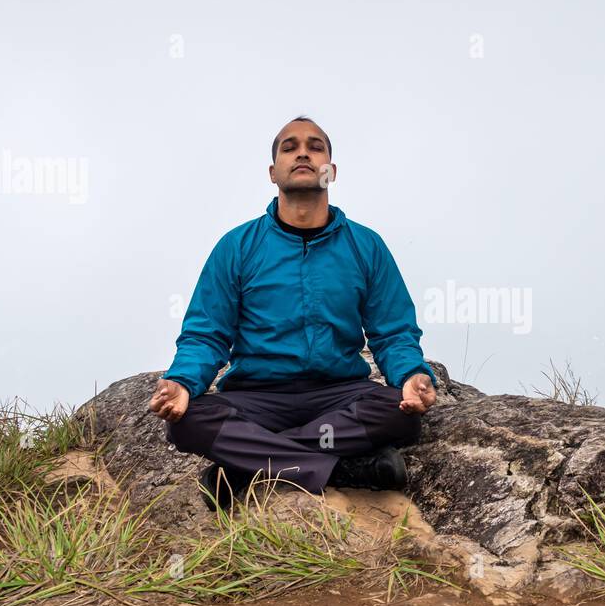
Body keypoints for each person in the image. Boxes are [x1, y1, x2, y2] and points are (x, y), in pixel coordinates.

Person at [148, 116, 437, 502]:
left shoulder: (366, 246)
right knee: (186, 423)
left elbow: (393, 331)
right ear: (273, 172)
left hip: (339, 394)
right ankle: (343, 468)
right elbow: (206, 333)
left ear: (330, 171)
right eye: (290, 147)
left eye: (315, 146)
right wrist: (182, 383)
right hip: (258, 398)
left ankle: (246, 466)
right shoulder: (237, 246)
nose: (303, 152)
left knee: (400, 415)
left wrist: (410, 375)